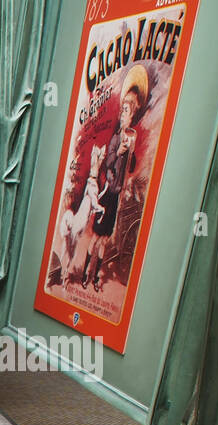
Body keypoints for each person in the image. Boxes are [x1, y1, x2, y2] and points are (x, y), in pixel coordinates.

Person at [85, 64, 146, 291]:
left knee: (104, 240)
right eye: (123, 112)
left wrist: (130, 153)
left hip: (117, 196)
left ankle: (95, 278)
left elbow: (131, 167)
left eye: (127, 113)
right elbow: (108, 164)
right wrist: (119, 152)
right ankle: (85, 273)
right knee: (96, 237)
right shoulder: (114, 140)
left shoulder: (128, 138)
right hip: (107, 194)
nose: (124, 116)